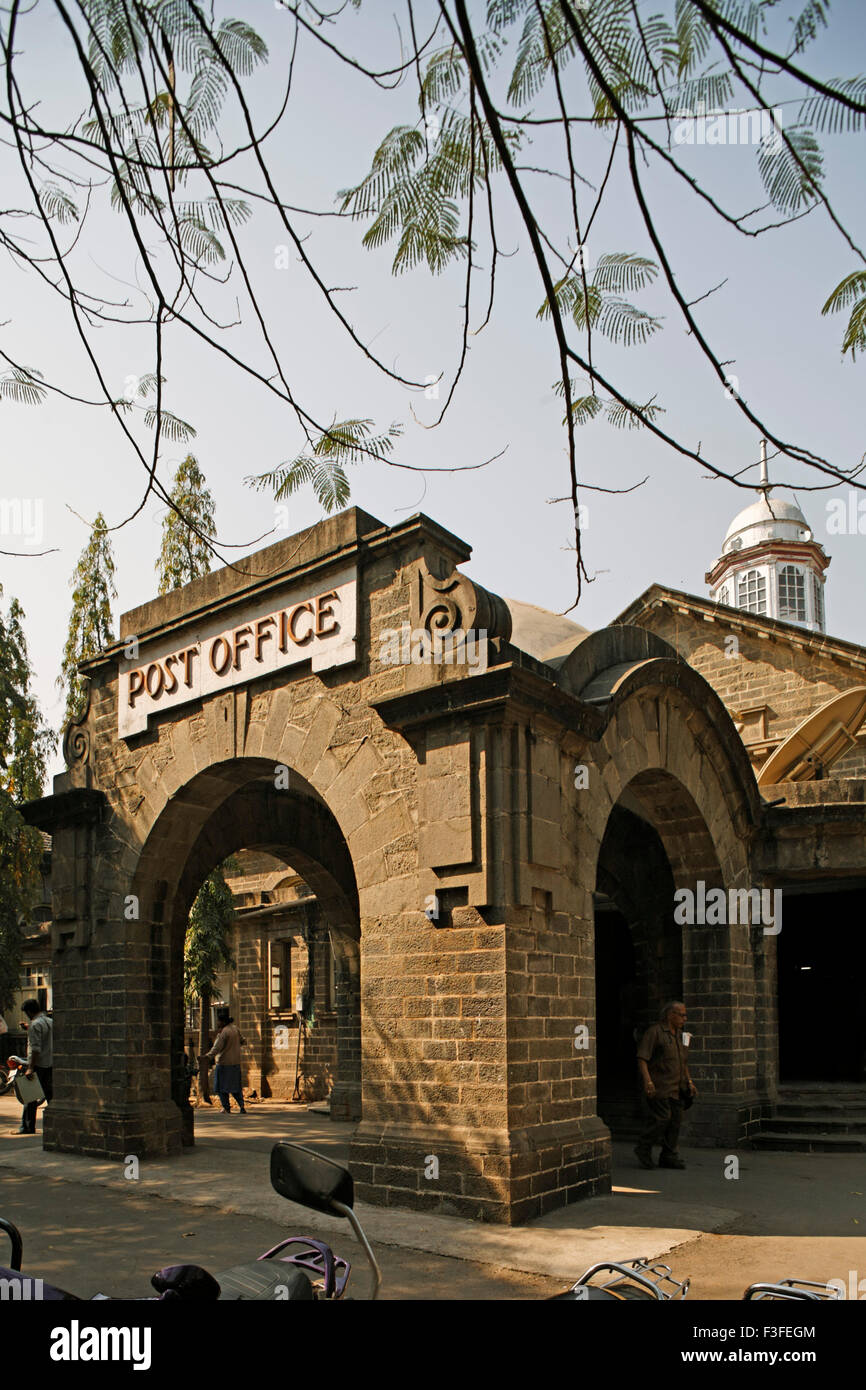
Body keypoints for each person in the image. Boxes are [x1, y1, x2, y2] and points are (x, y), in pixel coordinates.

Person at [634, 1000, 697, 1171]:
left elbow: (683, 1061)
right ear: (671, 1015)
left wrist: (689, 1081)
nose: (685, 1018)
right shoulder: (655, 1032)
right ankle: (644, 1148)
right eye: (682, 1015)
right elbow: (642, 1058)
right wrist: (648, 1081)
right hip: (660, 1085)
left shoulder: (681, 1035)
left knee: (676, 1121)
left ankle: (669, 1155)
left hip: (677, 1086)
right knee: (662, 1118)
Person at [18, 999, 53, 1136]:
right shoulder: (49, 1022)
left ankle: (27, 1126)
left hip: (38, 1064)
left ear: (29, 1011)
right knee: (50, 1094)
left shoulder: (35, 1025)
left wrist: (30, 1068)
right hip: (50, 1063)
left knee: (30, 1096)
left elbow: (35, 1049)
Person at [206, 1008, 247, 1114]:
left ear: (222, 1022)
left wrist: (208, 1056)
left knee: (221, 1087)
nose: (217, 1023)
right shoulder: (235, 1029)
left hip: (224, 1063)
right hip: (235, 1062)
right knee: (236, 1087)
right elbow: (243, 1040)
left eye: (218, 1021)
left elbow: (217, 1047)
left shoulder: (224, 1033)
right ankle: (241, 1105)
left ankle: (226, 1107)